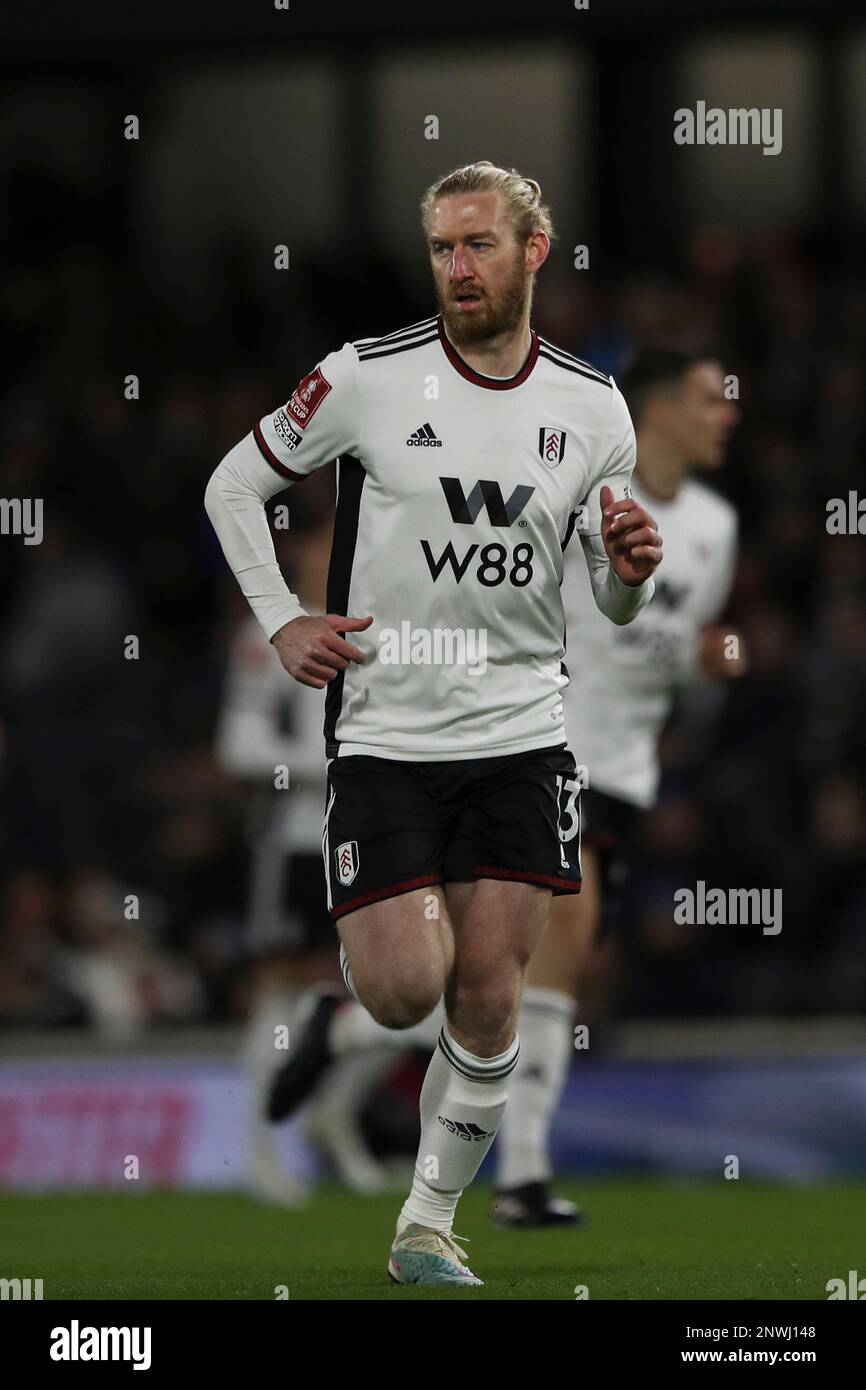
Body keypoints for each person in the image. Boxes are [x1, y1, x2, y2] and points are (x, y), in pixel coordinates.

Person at [205, 159, 662, 1287]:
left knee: (493, 989)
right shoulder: (363, 378)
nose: (458, 267)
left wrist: (632, 578)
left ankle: (424, 1224)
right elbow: (230, 486)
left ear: (532, 251)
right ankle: (336, 1012)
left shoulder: (592, 409)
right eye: (443, 249)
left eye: (478, 245)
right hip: (387, 737)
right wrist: (279, 621)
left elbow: (603, 594)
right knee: (408, 987)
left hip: (521, 730)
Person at [267, 347, 745, 1231]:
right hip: (541, 746)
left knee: (498, 981)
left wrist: (717, 662)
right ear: (657, 408)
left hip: (628, 767)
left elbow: (655, 634)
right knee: (542, 969)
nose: (728, 415)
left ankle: (343, 1029)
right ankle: (517, 1177)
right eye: (711, 399)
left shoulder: (713, 526)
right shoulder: (565, 455)